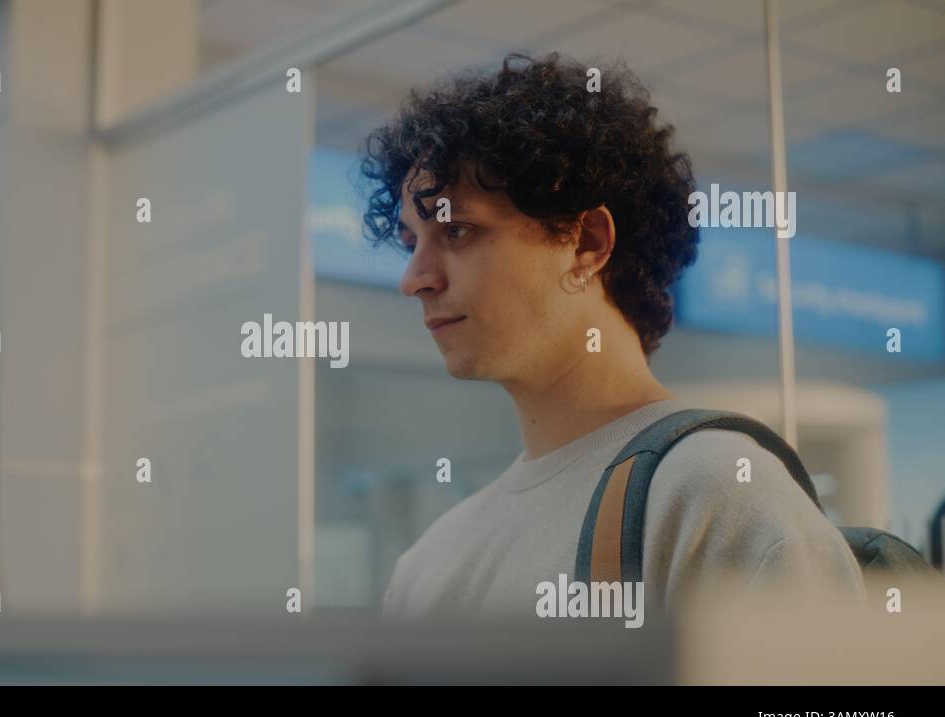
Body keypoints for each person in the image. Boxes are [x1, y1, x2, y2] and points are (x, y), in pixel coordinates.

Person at [361, 52, 864, 618]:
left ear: (588, 243)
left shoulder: (718, 498)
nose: (414, 280)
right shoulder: (427, 566)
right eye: (411, 243)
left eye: (457, 229)